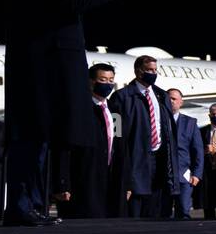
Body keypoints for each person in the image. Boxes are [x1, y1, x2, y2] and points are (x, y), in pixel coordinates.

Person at [3, 0, 123, 226]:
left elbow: (55, 7)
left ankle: (27, 207)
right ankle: (23, 207)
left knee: (35, 138)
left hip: (36, 71)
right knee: (34, 139)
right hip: (44, 72)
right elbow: (72, 6)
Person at [49, 64, 123, 218]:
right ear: (90, 82)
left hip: (109, 179)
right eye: (103, 80)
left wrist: (126, 183)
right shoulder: (78, 110)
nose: (108, 84)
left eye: (111, 80)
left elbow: (120, 146)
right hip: (82, 179)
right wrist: (63, 183)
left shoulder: (115, 111)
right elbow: (64, 148)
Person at [109, 55, 176, 218]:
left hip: (159, 160)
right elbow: (116, 132)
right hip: (134, 159)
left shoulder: (161, 96)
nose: (153, 73)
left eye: (155, 70)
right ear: (138, 71)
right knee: (134, 210)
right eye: (149, 70)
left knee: (154, 209)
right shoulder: (121, 96)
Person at [167, 89, 204, 221]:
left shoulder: (190, 123)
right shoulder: (158, 122)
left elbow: (198, 150)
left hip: (184, 175)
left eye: (174, 99)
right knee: (162, 213)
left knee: (183, 211)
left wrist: (197, 174)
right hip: (163, 175)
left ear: (181, 102)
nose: (171, 101)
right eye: (169, 98)